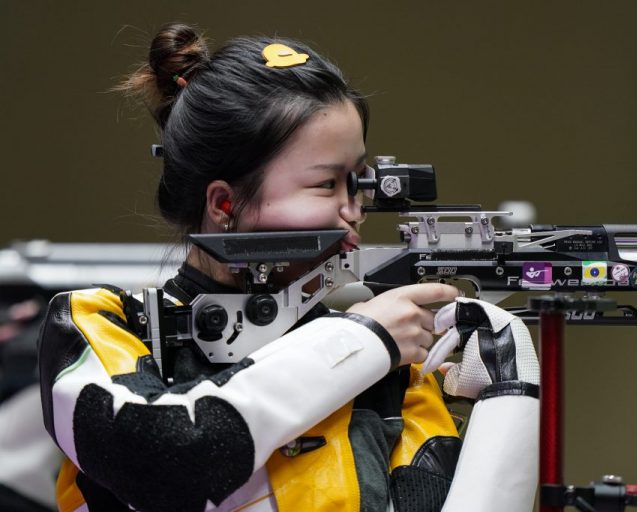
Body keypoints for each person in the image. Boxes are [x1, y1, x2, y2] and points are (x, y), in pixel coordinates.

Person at [37, 23, 540, 512]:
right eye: (326, 185)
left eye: (357, 183)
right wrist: (360, 342)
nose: (354, 210)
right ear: (224, 204)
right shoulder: (99, 324)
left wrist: (511, 394)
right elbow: (165, 461)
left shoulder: (390, 373)